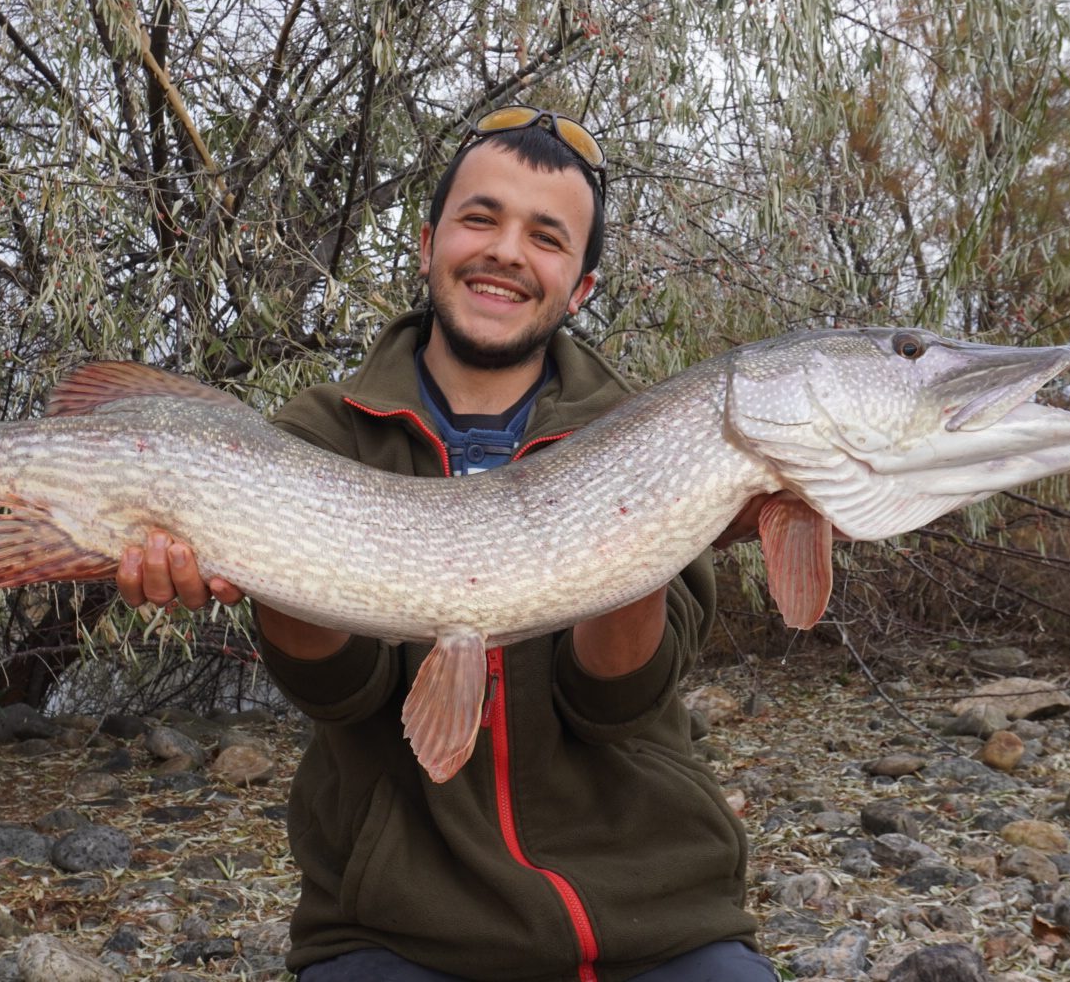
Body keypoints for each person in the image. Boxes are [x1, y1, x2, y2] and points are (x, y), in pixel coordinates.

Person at [117, 107, 775, 982]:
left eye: (546, 236)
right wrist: (258, 552)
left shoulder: (648, 433)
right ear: (428, 244)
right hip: (396, 928)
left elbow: (616, 703)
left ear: (579, 286)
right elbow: (341, 694)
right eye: (480, 218)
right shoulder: (321, 432)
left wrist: (638, 534)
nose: (506, 250)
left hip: (651, 918)